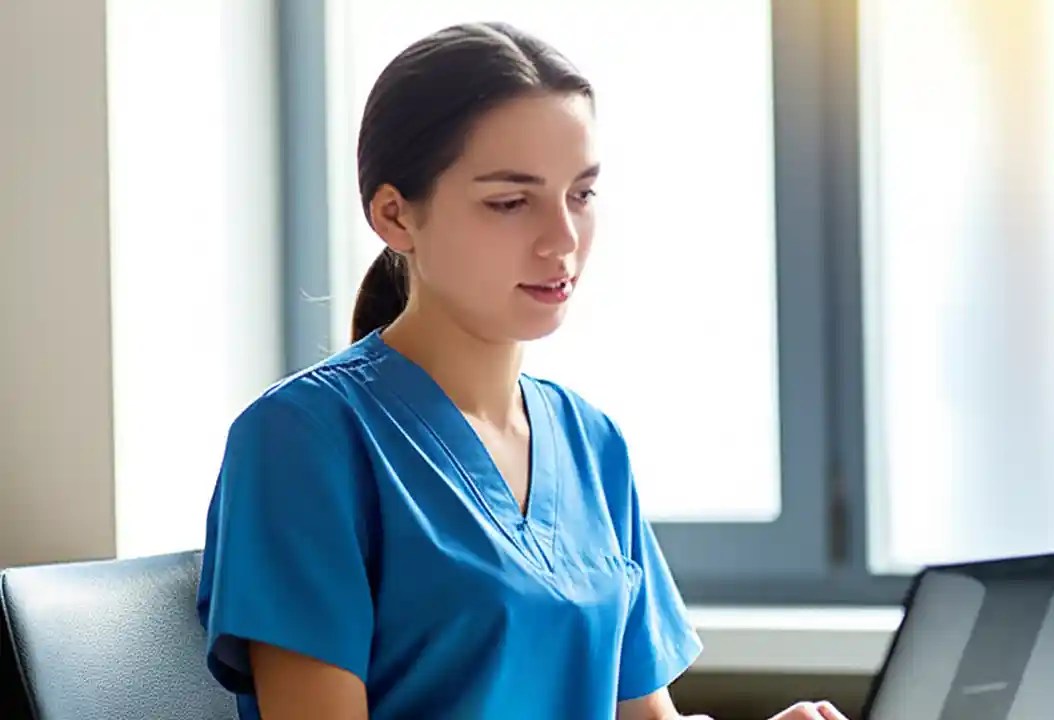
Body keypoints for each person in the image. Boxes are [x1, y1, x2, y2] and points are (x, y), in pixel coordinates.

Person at [196, 21, 850, 720]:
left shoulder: (592, 444)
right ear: (394, 216)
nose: (562, 240)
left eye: (582, 194)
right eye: (511, 202)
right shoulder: (301, 440)